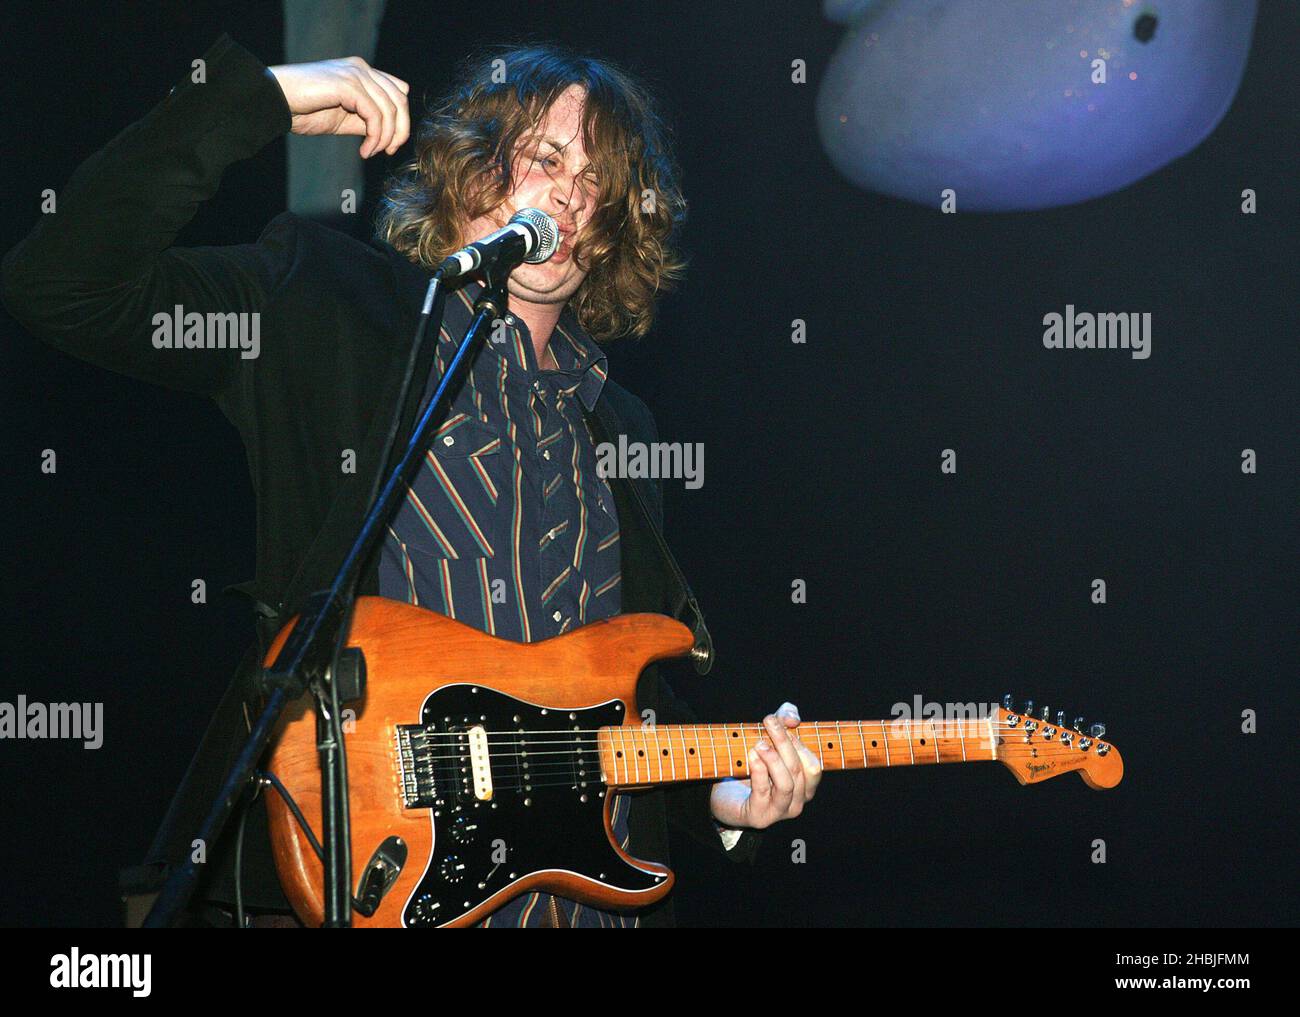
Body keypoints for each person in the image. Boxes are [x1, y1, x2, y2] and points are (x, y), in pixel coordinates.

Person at [2, 32, 820, 927]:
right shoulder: (324, 308)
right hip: (358, 878)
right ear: (469, 167)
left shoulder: (620, 427)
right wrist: (258, 104)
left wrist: (720, 801)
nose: (570, 199)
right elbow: (63, 286)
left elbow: (609, 700)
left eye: (598, 190)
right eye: (547, 158)